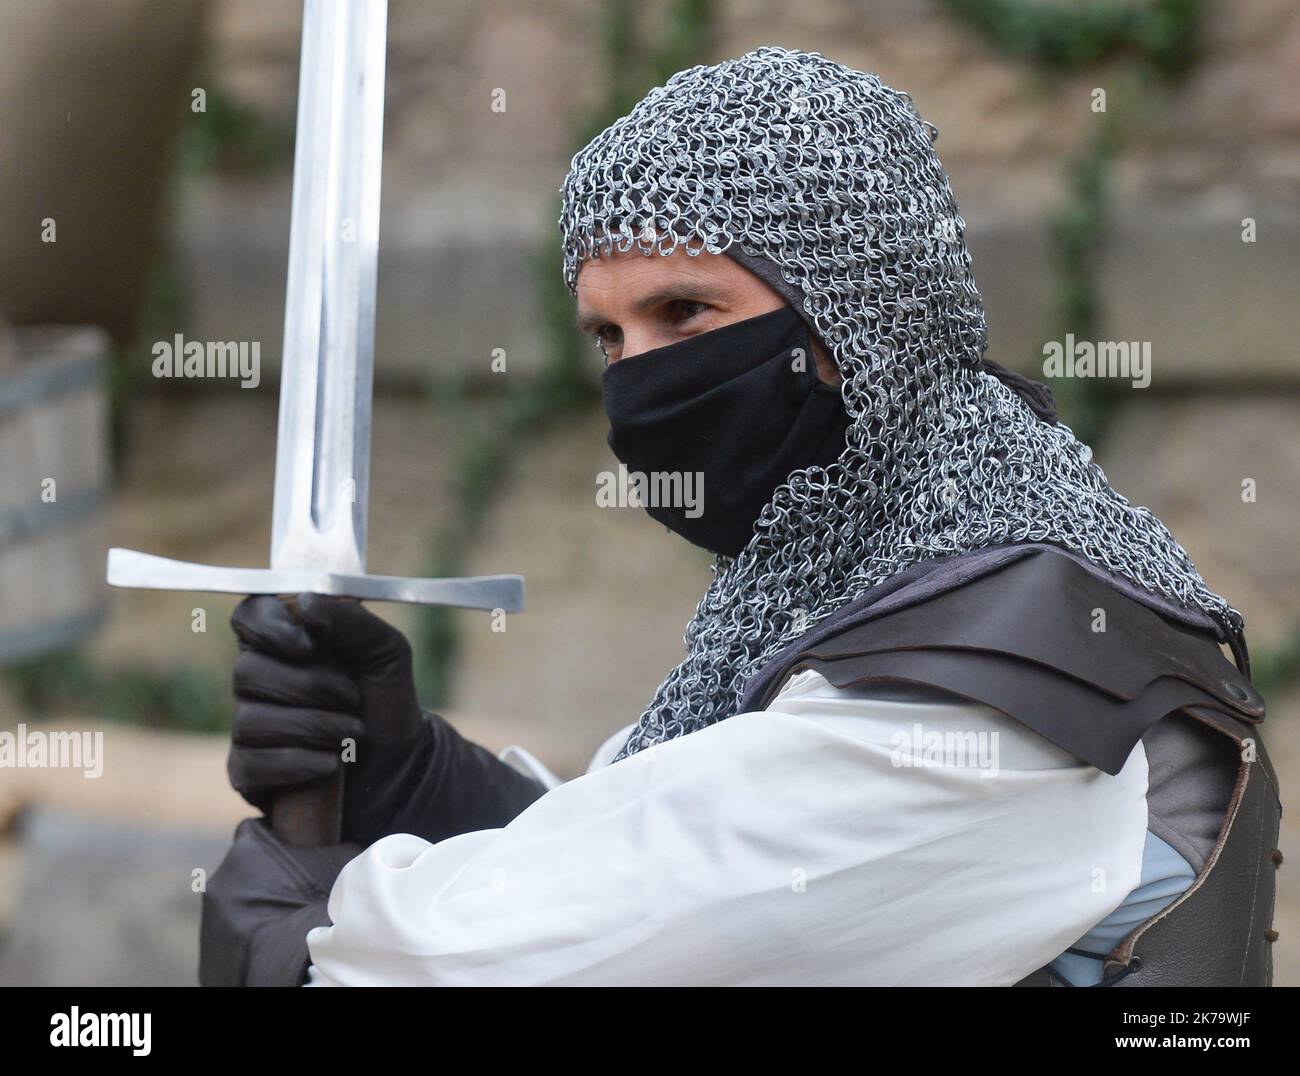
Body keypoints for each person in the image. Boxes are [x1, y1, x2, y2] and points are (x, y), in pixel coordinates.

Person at [200, 46, 1279, 987]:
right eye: (608, 336)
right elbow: (659, 847)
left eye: (684, 311)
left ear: (862, 313)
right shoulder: (913, 589)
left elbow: (582, 945)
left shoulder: (996, 684)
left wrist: (312, 941)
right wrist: (422, 781)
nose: (638, 381)